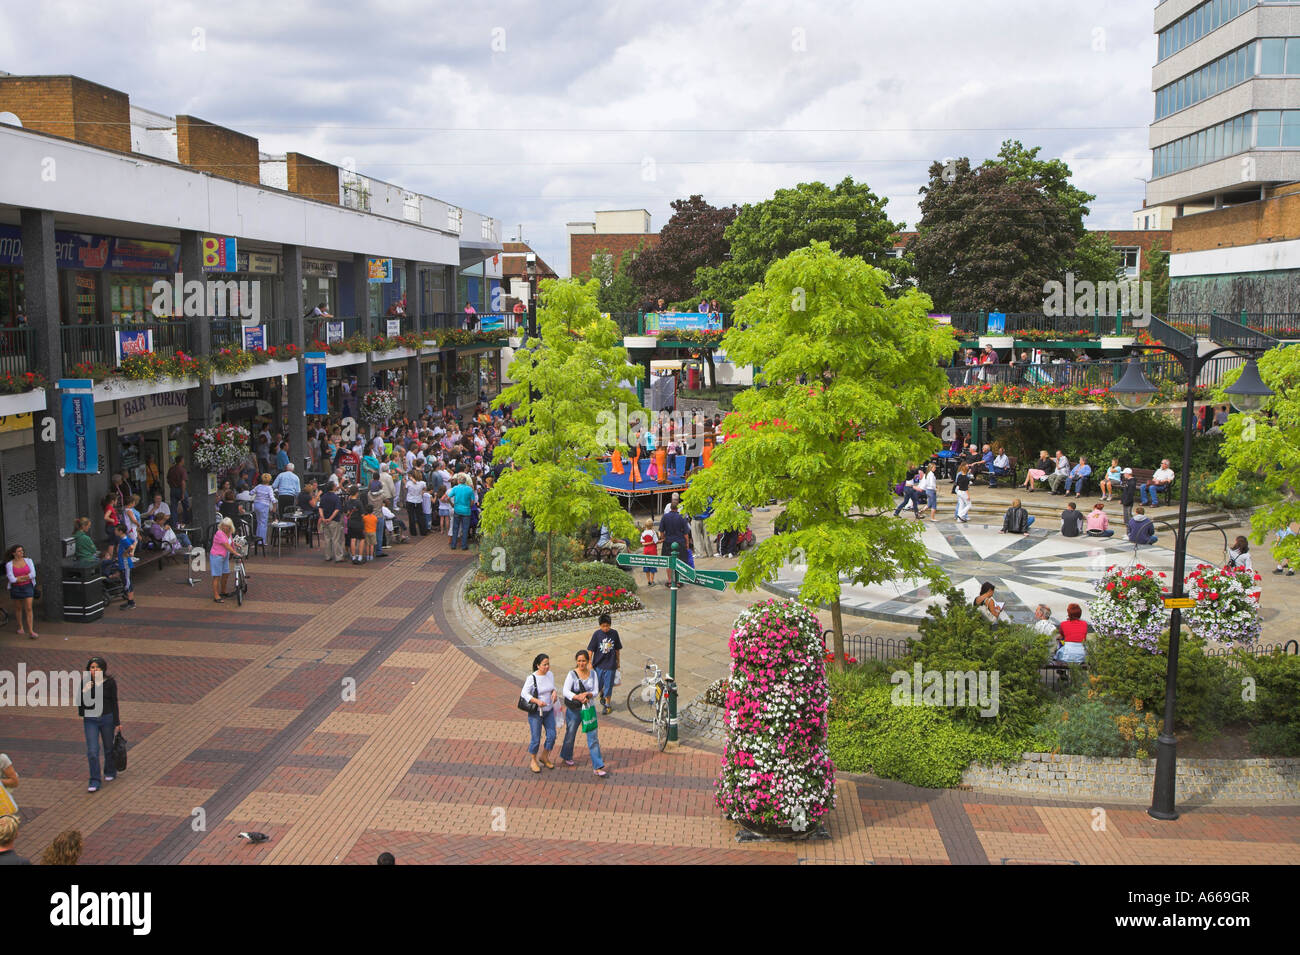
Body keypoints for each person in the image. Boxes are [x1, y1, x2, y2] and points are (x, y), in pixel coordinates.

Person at [560, 650, 608, 777]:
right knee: (570, 734)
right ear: (576, 661)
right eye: (579, 661)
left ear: (588, 661)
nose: (581, 663)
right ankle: (566, 755)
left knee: (593, 738)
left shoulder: (593, 674)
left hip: (588, 709)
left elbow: (596, 691)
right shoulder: (571, 674)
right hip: (574, 710)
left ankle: (598, 766)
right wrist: (578, 697)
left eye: (584, 661)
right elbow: (565, 691)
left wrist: (588, 695)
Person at [80, 656, 121, 793]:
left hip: (106, 718)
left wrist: (117, 722)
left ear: (103, 669)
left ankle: (110, 770)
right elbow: (80, 705)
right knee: (92, 751)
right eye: (92, 667)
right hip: (90, 719)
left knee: (108, 747)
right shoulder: (85, 683)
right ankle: (95, 780)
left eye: (97, 667)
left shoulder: (109, 683)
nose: (95, 669)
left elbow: (114, 702)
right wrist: (85, 691)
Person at [521, 653, 557, 774]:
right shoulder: (532, 678)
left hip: (549, 711)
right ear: (538, 665)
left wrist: (554, 692)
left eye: (548, 664)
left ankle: (544, 756)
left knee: (552, 735)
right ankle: (533, 760)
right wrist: (537, 701)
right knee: (536, 739)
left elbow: (552, 687)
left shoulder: (550, 675)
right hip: (536, 713)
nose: (547, 667)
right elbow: (524, 694)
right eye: (544, 665)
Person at [586, 613, 623, 716]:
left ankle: (607, 705)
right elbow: (590, 650)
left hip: (611, 665)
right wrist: (589, 662)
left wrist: (618, 662)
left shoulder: (614, 633)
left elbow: (617, 650)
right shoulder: (597, 635)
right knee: (597, 685)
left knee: (609, 686)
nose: (606, 628)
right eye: (603, 626)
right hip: (598, 665)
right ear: (600, 625)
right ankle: (602, 694)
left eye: (607, 626)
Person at [5, 544, 38, 638]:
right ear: (14, 553)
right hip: (16, 588)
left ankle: (31, 630)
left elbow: (33, 574)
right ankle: (20, 627)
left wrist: (20, 578)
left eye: (22, 551)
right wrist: (23, 577)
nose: (21, 552)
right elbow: (12, 579)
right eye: (19, 551)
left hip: (28, 586)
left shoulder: (28, 561)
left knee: (28, 607)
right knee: (18, 608)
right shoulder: (9, 564)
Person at [659, 502, 692, 582]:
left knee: (669, 563)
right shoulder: (682, 517)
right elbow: (686, 534)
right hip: (680, 542)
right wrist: (687, 544)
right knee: (680, 562)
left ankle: (670, 580)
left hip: (668, 542)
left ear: (670, 508)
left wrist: (663, 538)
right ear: (677, 508)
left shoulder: (665, 517)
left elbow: (661, 531)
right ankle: (678, 580)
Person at [210, 517, 236, 601]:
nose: (225, 527)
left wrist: (235, 546)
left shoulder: (229, 533)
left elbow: (230, 543)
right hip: (217, 556)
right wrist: (235, 553)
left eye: (227, 526)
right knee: (217, 576)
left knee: (226, 573)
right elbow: (226, 545)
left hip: (225, 556)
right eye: (224, 526)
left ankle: (223, 591)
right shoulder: (219, 533)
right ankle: (216, 595)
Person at [318, 483, 346, 563]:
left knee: (327, 538)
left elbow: (320, 508)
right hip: (334, 520)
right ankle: (338, 556)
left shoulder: (323, 497)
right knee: (336, 539)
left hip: (325, 520)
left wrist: (323, 517)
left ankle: (328, 556)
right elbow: (337, 509)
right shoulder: (336, 497)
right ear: (333, 487)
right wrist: (331, 518)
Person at [112, 523, 137, 610]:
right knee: (127, 582)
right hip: (124, 564)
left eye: (116, 530)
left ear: (120, 531)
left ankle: (131, 602)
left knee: (127, 583)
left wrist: (126, 552)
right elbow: (134, 542)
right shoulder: (124, 538)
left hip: (125, 564)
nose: (114, 531)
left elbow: (130, 546)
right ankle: (130, 601)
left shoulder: (124, 540)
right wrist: (131, 552)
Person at [448, 474, 476, 550]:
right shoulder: (469, 489)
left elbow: (448, 497)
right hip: (466, 510)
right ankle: (464, 545)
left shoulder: (455, 488)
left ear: (458, 481)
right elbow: (473, 501)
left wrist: (452, 504)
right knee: (465, 528)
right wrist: (469, 506)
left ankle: (453, 545)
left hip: (457, 509)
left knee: (455, 528)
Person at [252, 473, 275, 544]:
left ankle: (257, 539)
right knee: (263, 523)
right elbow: (272, 498)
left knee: (259, 522)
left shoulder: (258, 486)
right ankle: (262, 541)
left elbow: (251, 493)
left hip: (256, 504)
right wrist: (275, 504)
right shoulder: (269, 488)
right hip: (264, 506)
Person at [405, 468, 427, 539]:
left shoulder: (408, 483)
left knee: (411, 516)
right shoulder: (422, 483)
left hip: (410, 500)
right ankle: (423, 531)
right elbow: (424, 488)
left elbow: (405, 488)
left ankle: (413, 532)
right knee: (420, 516)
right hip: (418, 500)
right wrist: (421, 492)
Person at [640, 519, 659, 587]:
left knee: (646, 565)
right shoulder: (653, 532)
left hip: (646, 551)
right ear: (652, 526)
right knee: (652, 565)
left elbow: (642, 543)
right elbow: (656, 541)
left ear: (645, 525)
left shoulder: (643, 533)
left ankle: (648, 581)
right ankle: (652, 580)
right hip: (653, 551)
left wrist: (647, 543)